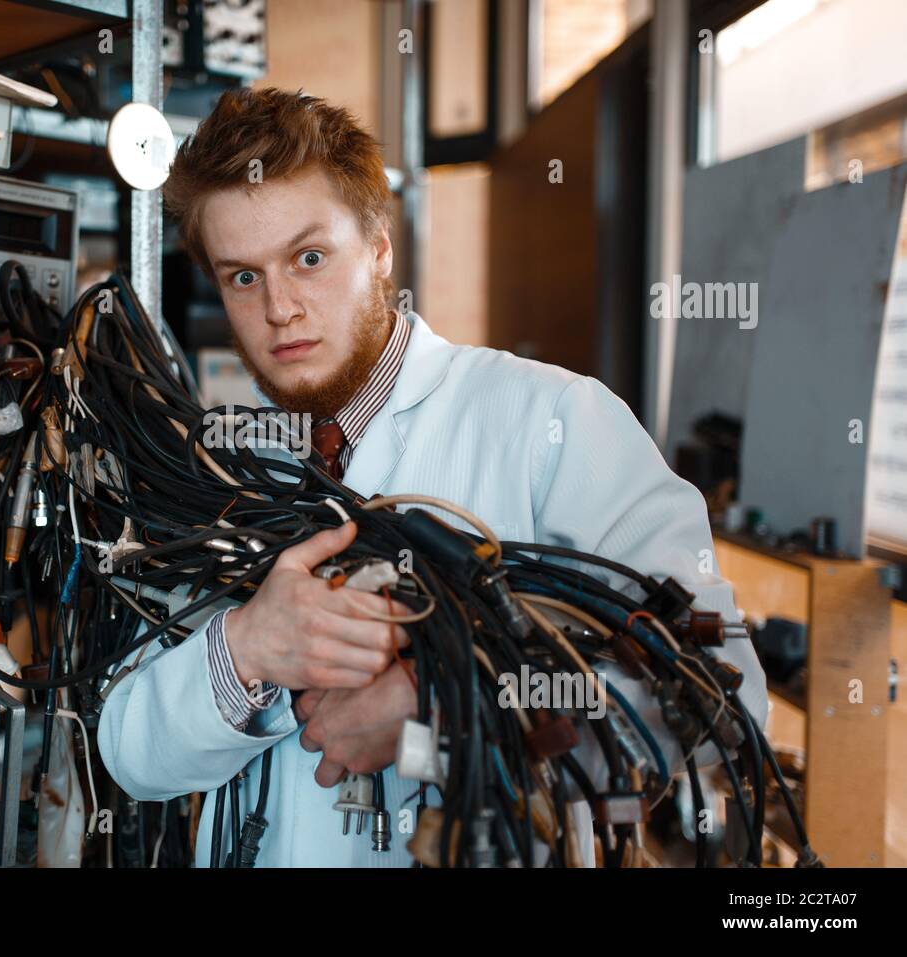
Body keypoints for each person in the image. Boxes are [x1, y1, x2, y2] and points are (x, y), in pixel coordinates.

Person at [96, 87, 766, 867]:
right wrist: (248, 649)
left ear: (379, 245)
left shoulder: (552, 422)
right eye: (242, 276)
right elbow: (132, 755)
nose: (279, 307)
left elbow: (726, 698)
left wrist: (440, 709)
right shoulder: (221, 466)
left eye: (309, 258)